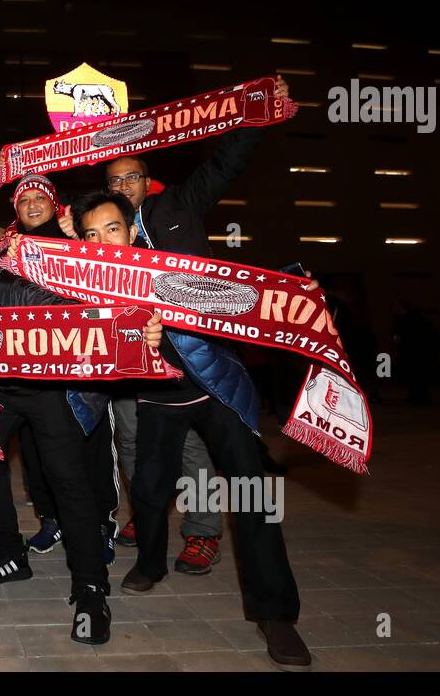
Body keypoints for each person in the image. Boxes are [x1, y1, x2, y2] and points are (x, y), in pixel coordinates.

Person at [71, 188, 312, 669]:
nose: (103, 242)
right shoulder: (85, 286)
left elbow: (235, 294)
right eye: (91, 236)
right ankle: (151, 562)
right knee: (150, 488)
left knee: (251, 492)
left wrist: (287, 289)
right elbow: (80, 351)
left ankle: (276, 614)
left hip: (215, 388)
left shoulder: (172, 263)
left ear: (133, 229)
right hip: (157, 400)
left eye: (112, 229)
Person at [0, 241, 164, 646]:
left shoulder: (7, 288)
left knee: (66, 480)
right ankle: (9, 556)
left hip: (46, 390)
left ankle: (91, 589)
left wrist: (135, 327)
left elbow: (71, 310)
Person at [101, 154, 221, 571]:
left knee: (187, 445)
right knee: (132, 442)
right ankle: (147, 514)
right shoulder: (100, 233)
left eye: (131, 178)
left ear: (146, 181)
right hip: (126, 360)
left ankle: (204, 529)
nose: (123, 186)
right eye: (114, 181)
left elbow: (221, 167)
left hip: (177, 353)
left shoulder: (175, 210)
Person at [0, 175, 120, 564]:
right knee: (34, 455)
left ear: (54, 203)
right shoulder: (5, 249)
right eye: (23, 200)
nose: (32, 205)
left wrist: (76, 240)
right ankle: (53, 519)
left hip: (80, 371)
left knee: (90, 451)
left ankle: (101, 524)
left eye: (40, 198)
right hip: (25, 374)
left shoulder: (74, 241)